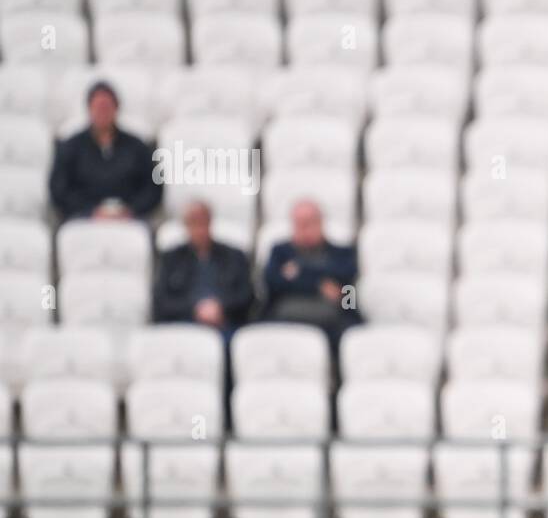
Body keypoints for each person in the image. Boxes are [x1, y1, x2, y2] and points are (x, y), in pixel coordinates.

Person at [48, 80, 161, 220]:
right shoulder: (71, 146)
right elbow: (59, 189)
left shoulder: (137, 147)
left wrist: (130, 210)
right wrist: (90, 212)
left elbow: (153, 187)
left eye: (107, 107)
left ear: (116, 108)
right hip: (82, 219)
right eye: (98, 107)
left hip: (130, 220)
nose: (102, 112)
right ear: (89, 109)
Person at [263, 199, 361, 349]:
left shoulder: (342, 253)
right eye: (299, 224)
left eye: (309, 223)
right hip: (285, 319)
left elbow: (347, 282)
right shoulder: (280, 252)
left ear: (321, 223)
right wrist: (319, 284)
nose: (304, 229)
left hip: (332, 323)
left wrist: (298, 275)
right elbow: (273, 283)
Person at [152, 200, 254, 340]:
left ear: (210, 223)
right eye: (194, 223)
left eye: (203, 222)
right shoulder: (172, 259)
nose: (199, 230)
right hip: (183, 323)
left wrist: (220, 307)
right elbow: (162, 300)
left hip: (226, 324)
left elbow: (246, 295)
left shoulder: (234, 256)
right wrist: (196, 309)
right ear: (186, 226)